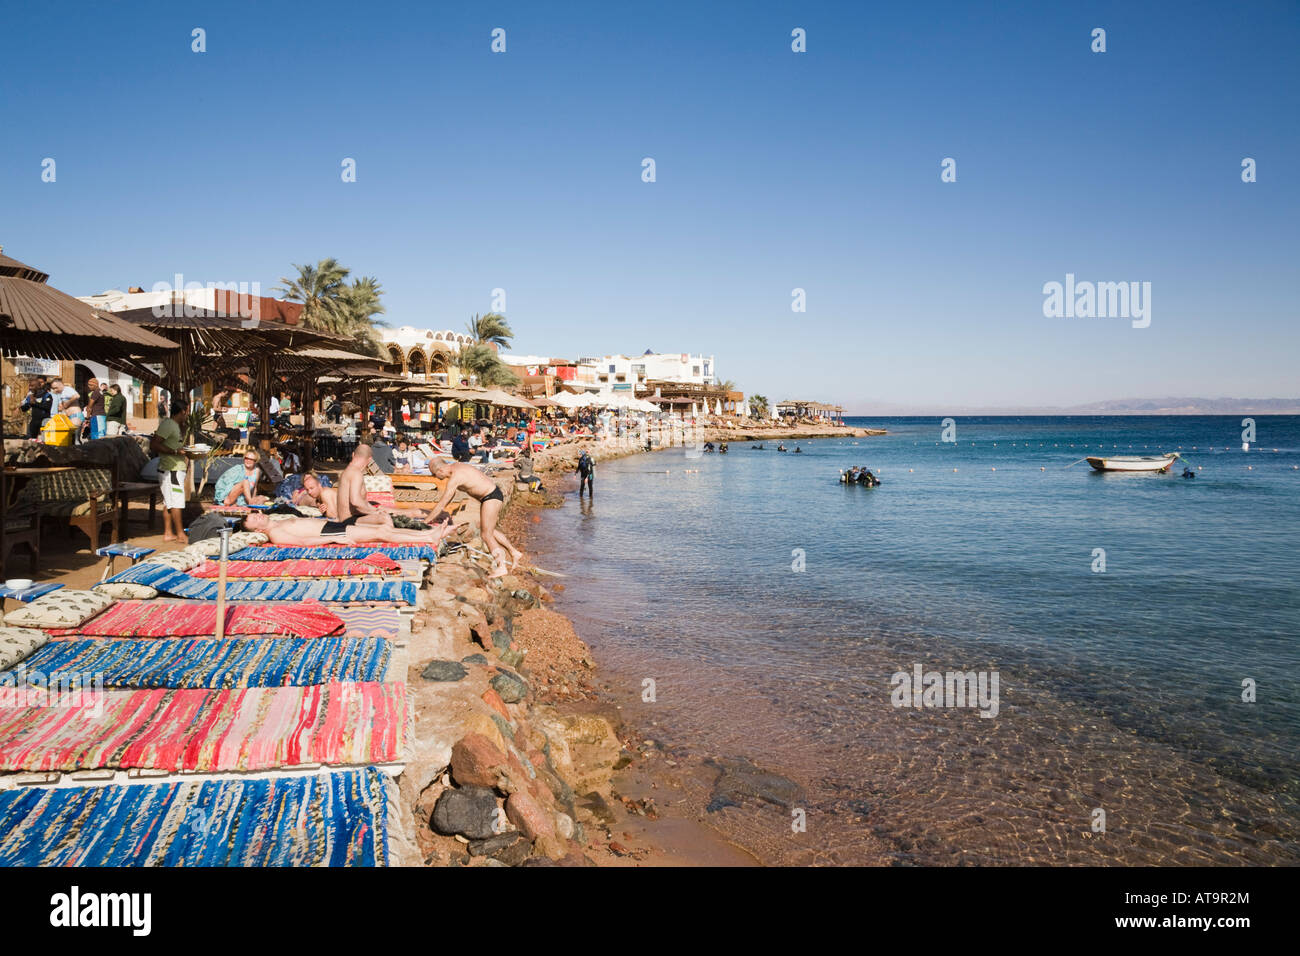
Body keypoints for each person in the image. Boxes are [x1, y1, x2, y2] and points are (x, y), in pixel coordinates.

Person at [432, 461, 522, 578]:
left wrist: (426, 521)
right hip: (492, 495)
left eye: (434, 474)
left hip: (490, 497)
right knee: (490, 530)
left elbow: (443, 502)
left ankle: (501, 566)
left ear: (440, 470)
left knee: (486, 535)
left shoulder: (456, 476)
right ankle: (514, 552)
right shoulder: (456, 466)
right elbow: (450, 497)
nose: (435, 477)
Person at [241, 511, 451, 548]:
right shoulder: (275, 534)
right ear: (258, 531)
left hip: (330, 526)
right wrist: (333, 540)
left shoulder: (277, 521)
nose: (259, 515)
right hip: (329, 533)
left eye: (255, 514)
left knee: (382, 531)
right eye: (255, 519)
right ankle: (427, 538)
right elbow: (303, 542)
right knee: (380, 534)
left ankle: (427, 534)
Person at [151, 399, 189, 542]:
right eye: (187, 411)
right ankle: (180, 534)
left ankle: (168, 532)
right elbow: (154, 444)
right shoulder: (169, 425)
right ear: (183, 411)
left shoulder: (175, 425)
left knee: (169, 501)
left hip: (172, 469)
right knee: (177, 501)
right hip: (171, 470)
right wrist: (174, 452)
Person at [335, 444, 394, 527]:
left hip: (346, 518)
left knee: (384, 512)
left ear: (353, 454)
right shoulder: (356, 473)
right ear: (370, 460)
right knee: (386, 518)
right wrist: (375, 512)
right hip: (349, 521)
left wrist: (375, 510)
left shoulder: (348, 470)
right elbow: (356, 502)